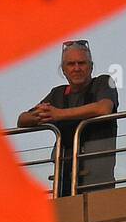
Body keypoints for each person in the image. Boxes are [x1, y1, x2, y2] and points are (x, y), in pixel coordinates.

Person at [18, 39, 118, 196]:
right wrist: (39, 115)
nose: (77, 68)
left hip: (98, 177)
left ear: (91, 67)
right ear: (63, 70)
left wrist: (58, 114)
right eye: (71, 64)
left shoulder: (103, 82)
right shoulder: (57, 93)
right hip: (64, 175)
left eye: (82, 63)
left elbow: (104, 108)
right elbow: (22, 120)